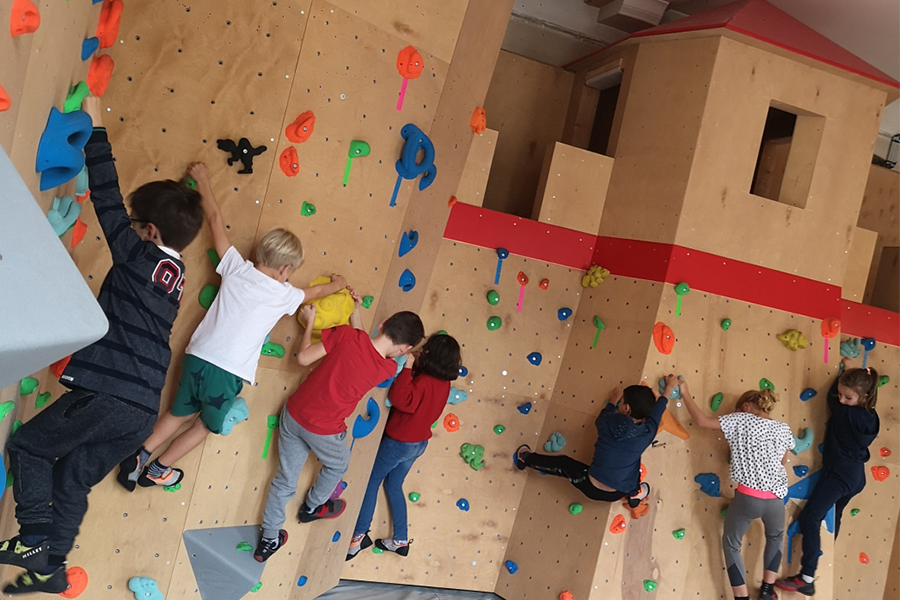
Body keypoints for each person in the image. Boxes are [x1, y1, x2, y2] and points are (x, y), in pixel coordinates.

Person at [0, 96, 204, 594]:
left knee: (27, 445)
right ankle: (51, 568)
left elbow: (108, 198)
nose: (127, 229)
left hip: (107, 395)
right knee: (72, 479)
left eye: (136, 225)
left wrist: (96, 125)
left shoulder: (137, 255)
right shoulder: (175, 277)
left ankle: (33, 539)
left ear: (149, 231)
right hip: (138, 413)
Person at [117, 162, 348, 490]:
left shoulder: (237, 268)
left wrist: (203, 179)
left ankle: (137, 456)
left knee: (178, 412)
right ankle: (159, 470)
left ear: (258, 253)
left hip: (196, 356)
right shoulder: (285, 295)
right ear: (285, 268)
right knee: (205, 426)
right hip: (226, 372)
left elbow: (213, 220)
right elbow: (320, 291)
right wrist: (338, 283)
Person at [254, 307, 425, 562]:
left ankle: (269, 538)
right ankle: (311, 506)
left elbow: (303, 358)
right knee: (339, 464)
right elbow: (367, 348)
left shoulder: (346, 335)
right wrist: (355, 314)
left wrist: (310, 322)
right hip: (323, 430)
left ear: (383, 324)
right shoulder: (388, 369)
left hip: (293, 414)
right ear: (404, 349)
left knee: (285, 478)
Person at [346, 334, 462, 560]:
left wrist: (408, 368)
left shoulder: (424, 381)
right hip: (419, 444)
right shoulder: (444, 383)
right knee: (394, 485)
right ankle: (400, 540)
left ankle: (359, 536)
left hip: (401, 442)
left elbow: (400, 399)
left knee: (371, 480)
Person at [681, 381, 794, 600]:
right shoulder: (783, 428)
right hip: (775, 500)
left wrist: (685, 392)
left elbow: (702, 421)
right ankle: (767, 592)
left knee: (732, 544)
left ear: (745, 406)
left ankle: (741, 597)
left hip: (748, 497)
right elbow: (783, 460)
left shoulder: (741, 419)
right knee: (776, 537)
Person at [777, 360, 880, 597]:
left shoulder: (845, 413)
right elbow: (845, 397)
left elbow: (830, 400)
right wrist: (848, 378)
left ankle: (807, 577)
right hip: (856, 477)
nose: (842, 400)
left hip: (840, 473)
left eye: (848, 397)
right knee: (835, 516)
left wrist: (841, 374)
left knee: (811, 518)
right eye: (841, 395)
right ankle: (820, 563)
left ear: (862, 397)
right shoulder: (871, 418)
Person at [513, 376, 678, 507]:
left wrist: (613, 400)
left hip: (591, 486)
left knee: (562, 464)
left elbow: (602, 417)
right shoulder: (648, 433)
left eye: (622, 402)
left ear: (626, 408)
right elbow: (658, 412)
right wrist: (668, 389)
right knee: (632, 466)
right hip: (618, 492)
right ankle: (635, 493)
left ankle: (525, 458)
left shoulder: (606, 422)